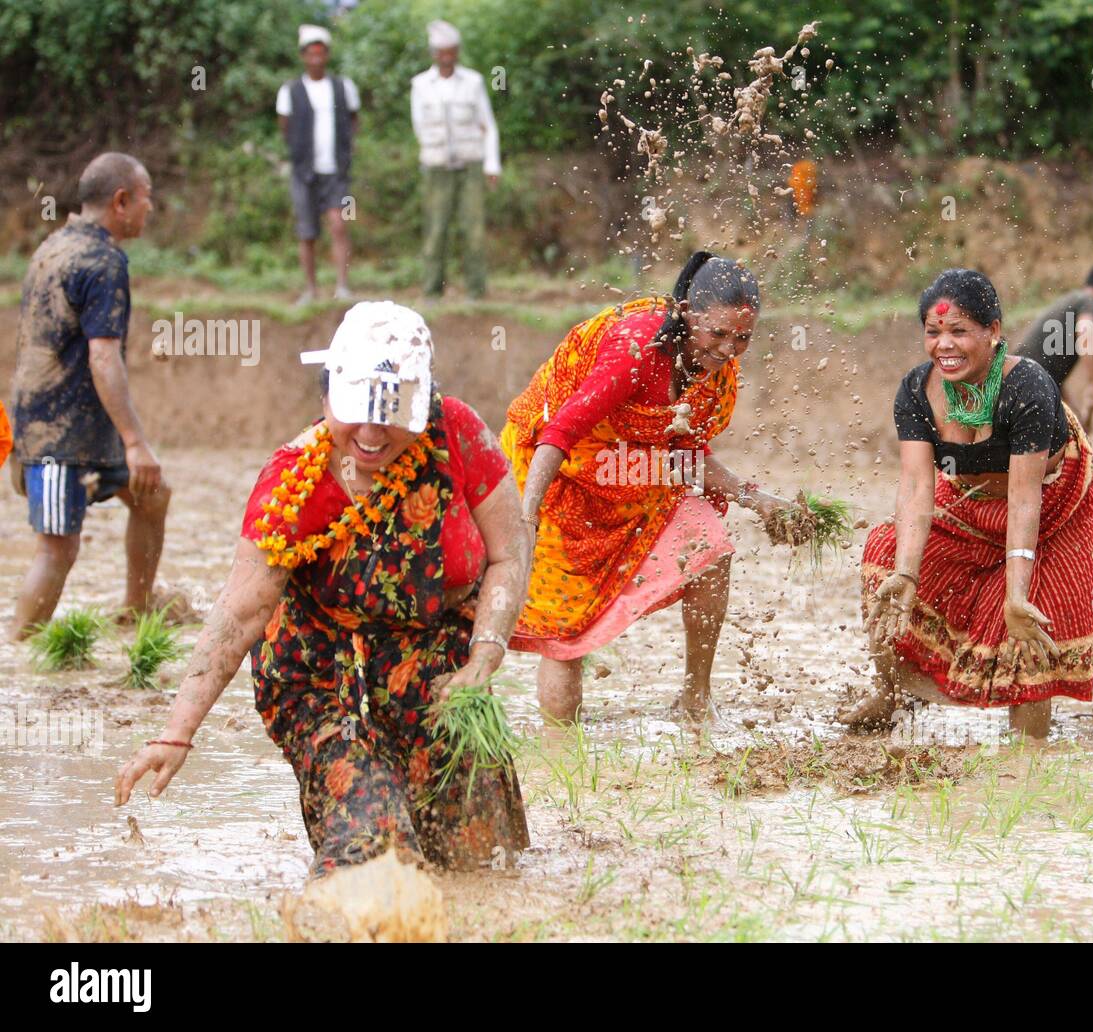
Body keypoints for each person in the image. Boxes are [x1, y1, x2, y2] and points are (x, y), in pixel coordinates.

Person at [116, 302, 532, 874]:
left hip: (440, 676)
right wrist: (175, 734)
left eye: (390, 413)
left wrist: (485, 656)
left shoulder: (456, 434)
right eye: (356, 410)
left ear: (422, 401)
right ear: (328, 392)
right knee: (375, 852)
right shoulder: (294, 482)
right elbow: (240, 615)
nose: (370, 434)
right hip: (325, 681)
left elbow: (510, 552)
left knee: (480, 862)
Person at [501, 252, 809, 724]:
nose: (728, 349)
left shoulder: (712, 372)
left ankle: (695, 699)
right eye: (718, 334)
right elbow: (559, 432)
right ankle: (561, 749)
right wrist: (526, 519)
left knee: (710, 551)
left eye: (742, 338)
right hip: (560, 479)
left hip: (634, 476)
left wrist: (759, 500)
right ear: (686, 313)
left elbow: (683, 457)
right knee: (566, 633)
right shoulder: (635, 352)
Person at [843, 269, 1093, 740]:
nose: (945, 344)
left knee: (1030, 614)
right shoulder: (917, 392)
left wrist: (1016, 595)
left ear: (993, 331)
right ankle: (891, 692)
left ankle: (1029, 750)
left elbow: (1025, 498)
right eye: (933, 331)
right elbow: (917, 486)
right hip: (968, 498)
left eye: (959, 331)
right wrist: (907, 573)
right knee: (885, 552)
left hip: (1048, 505)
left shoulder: (1028, 388)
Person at [9, 153, 174, 641]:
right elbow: (104, 358)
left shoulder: (53, 245)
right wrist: (135, 442)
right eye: (145, 198)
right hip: (58, 430)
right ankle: (19, 647)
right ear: (121, 201)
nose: (150, 208)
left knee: (152, 496)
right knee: (57, 548)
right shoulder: (103, 262)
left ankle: (136, 613)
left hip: (73, 422)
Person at [411, 19, 500, 303]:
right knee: (435, 229)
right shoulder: (420, 85)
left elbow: (488, 125)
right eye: (441, 52)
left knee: (473, 229)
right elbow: (419, 126)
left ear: (457, 51)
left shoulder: (473, 82)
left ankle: (476, 291)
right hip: (437, 167)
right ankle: (432, 291)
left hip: (470, 165)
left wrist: (492, 164)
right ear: (434, 54)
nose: (446, 57)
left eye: (451, 51)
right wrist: (431, 155)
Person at [277, 23, 360, 306]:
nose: (316, 59)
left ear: (327, 55)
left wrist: (347, 149)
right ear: (303, 56)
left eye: (321, 53)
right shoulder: (290, 90)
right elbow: (285, 127)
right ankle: (311, 290)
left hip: (337, 170)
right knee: (307, 231)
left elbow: (353, 120)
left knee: (339, 224)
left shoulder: (343, 87)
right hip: (304, 172)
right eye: (311, 54)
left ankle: (342, 287)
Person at [1014, 262, 1093, 431]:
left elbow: (1052, 380)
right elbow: (1085, 333)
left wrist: (1076, 420)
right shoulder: (1089, 301)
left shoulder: (1072, 302)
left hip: (1021, 384)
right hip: (1026, 388)